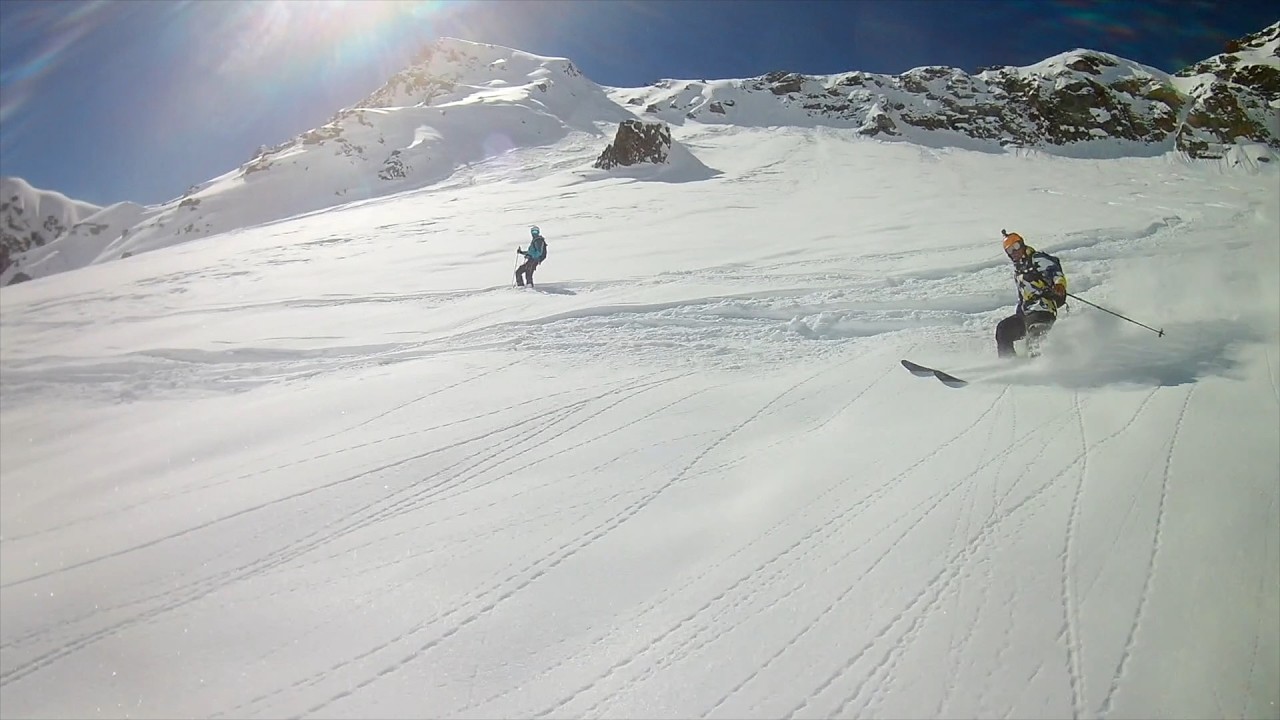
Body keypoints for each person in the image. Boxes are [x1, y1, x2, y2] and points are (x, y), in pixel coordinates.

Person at [995, 229, 1067, 358]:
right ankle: (1008, 362)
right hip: (1026, 313)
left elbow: (1055, 271)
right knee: (1003, 329)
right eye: (1010, 250)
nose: (1015, 252)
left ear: (1022, 244)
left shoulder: (1037, 258)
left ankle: (1039, 364)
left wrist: (1059, 284)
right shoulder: (1018, 270)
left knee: (1035, 333)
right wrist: (1019, 314)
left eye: (1016, 246)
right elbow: (1023, 296)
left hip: (1043, 308)